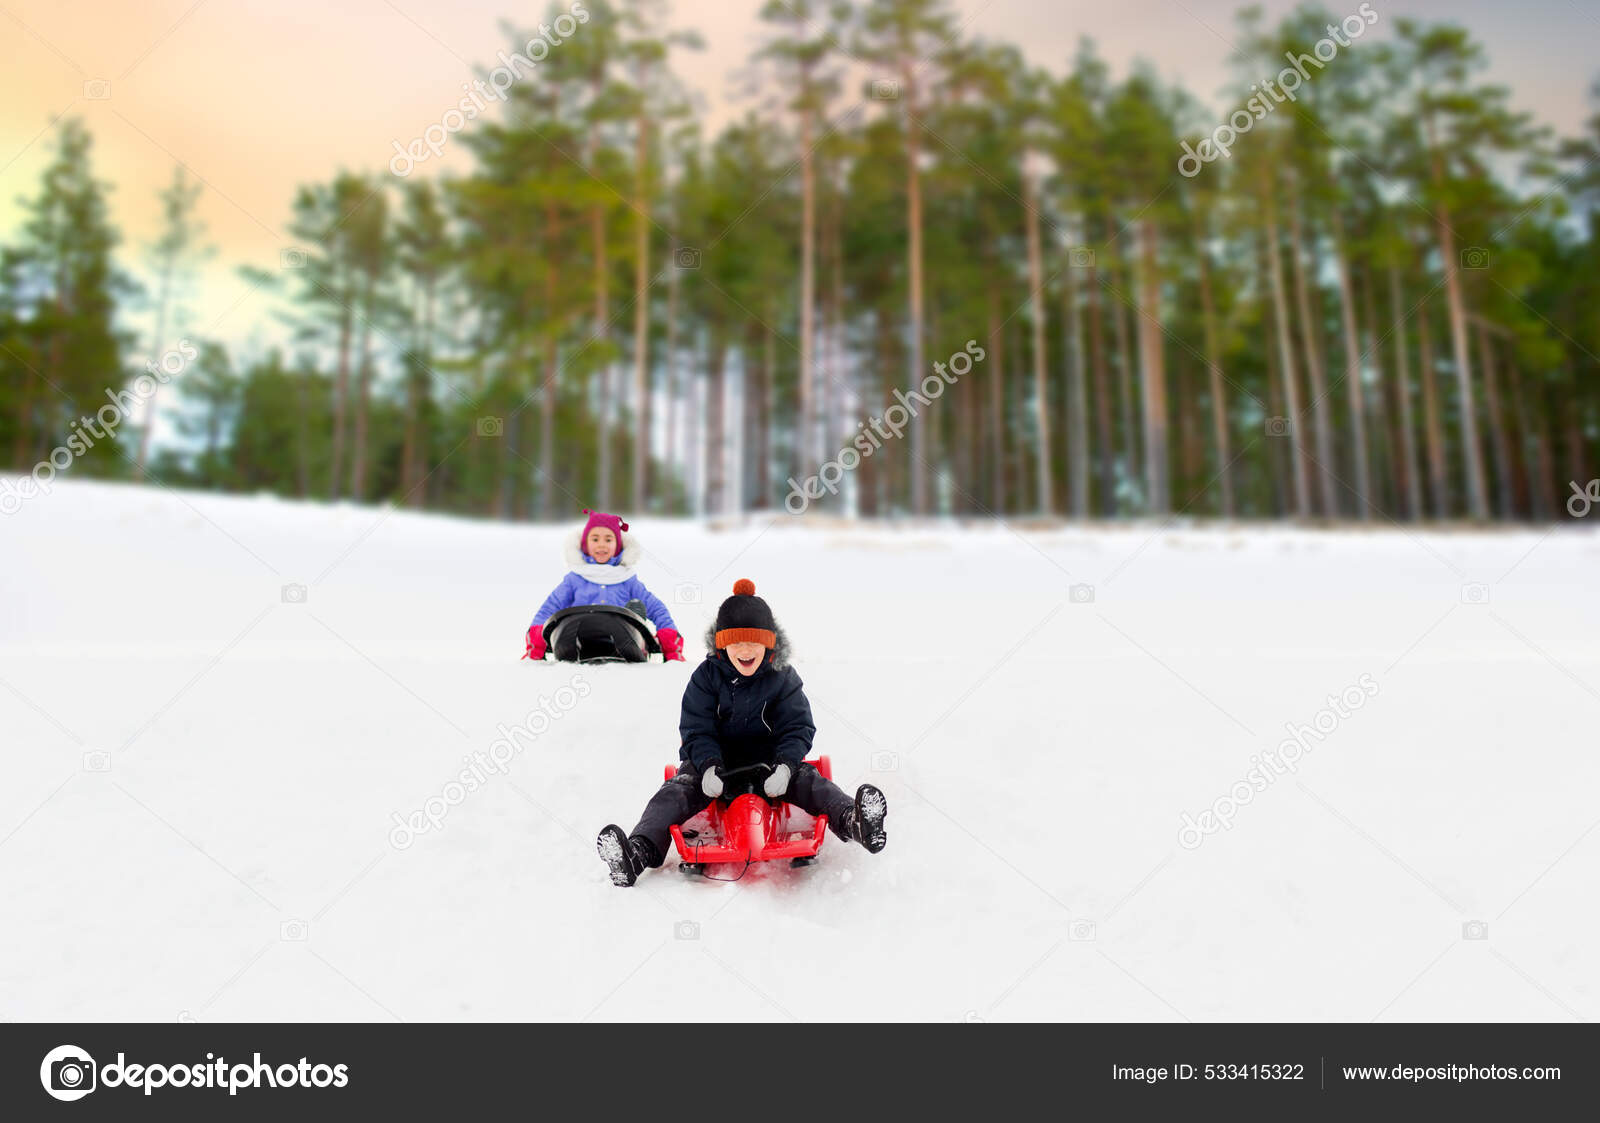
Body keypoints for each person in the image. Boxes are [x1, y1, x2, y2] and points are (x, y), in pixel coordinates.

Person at [596, 579, 887, 886]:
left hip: (771, 767)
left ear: (768, 644)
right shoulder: (705, 678)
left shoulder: (783, 677)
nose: (745, 650)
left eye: (753, 642)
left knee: (814, 784)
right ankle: (638, 852)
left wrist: (786, 767)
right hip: (715, 769)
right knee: (673, 793)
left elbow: (797, 727)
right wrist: (707, 766)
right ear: (722, 645)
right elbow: (697, 729)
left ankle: (855, 822)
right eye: (736, 642)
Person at [524, 510, 684, 661]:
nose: (601, 545)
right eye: (595, 539)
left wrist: (669, 642)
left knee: (634, 608)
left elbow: (656, 608)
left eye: (608, 539)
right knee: (566, 620)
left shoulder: (627, 579)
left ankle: (636, 622)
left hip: (623, 638)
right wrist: (536, 644)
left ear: (617, 545)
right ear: (586, 544)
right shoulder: (575, 579)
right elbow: (550, 607)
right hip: (577, 635)